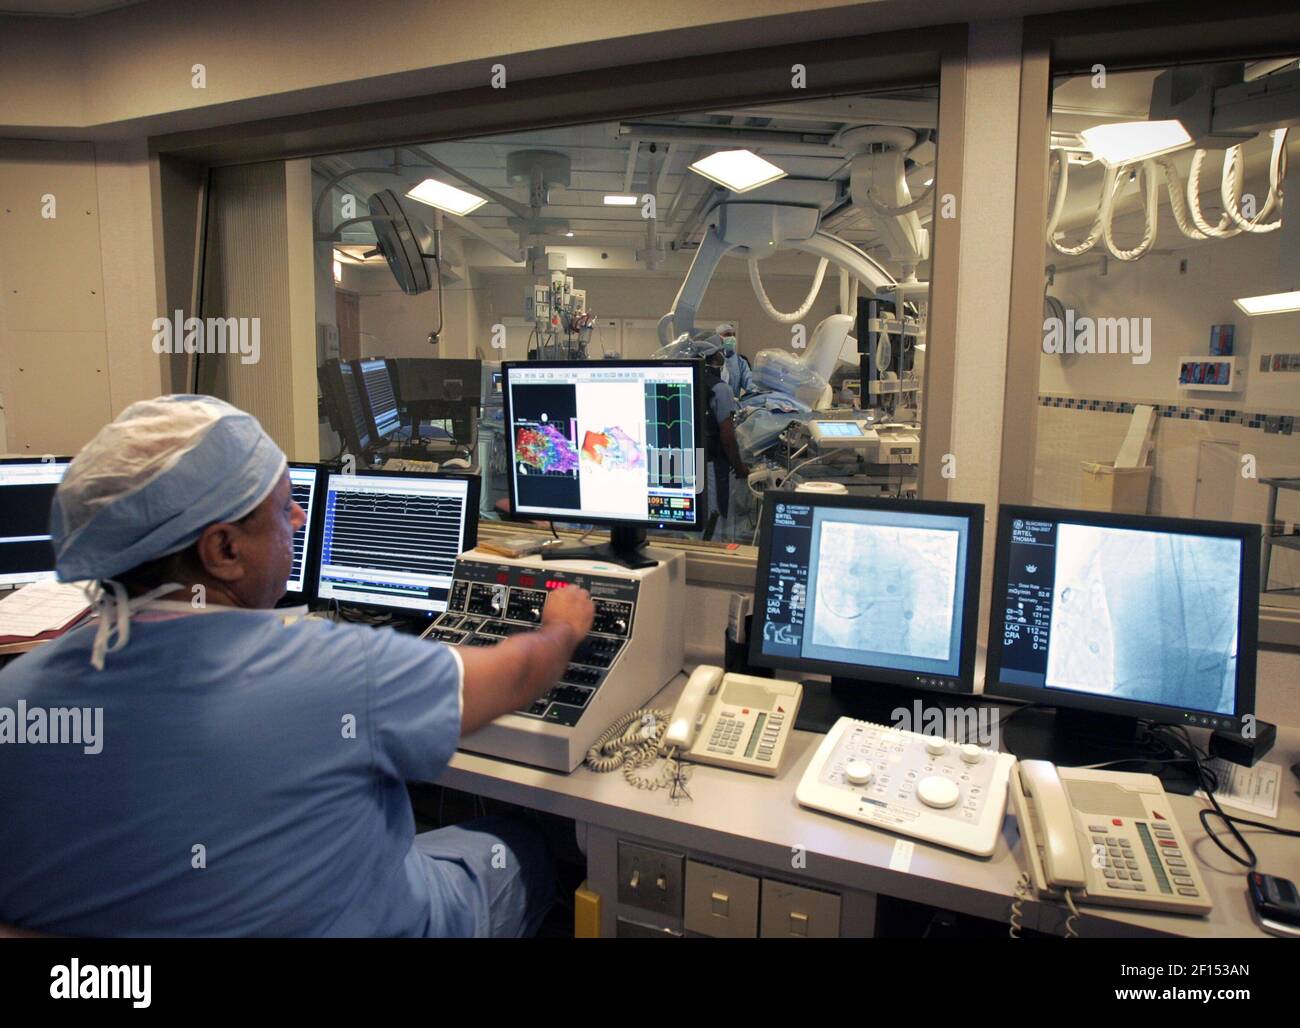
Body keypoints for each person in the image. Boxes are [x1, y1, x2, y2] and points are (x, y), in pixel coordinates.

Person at [0, 395, 594, 938]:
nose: (303, 522)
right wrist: (562, 625)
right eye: (285, 508)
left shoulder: (18, 691)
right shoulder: (340, 673)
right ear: (224, 550)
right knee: (518, 843)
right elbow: (520, 677)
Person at [698, 337, 750, 533]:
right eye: (720, 351)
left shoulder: (689, 381)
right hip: (712, 465)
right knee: (714, 517)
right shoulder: (719, 389)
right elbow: (727, 436)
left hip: (686, 462)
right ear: (713, 356)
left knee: (692, 517)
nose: (723, 355)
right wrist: (740, 467)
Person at [715, 323, 753, 399]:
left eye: (733, 335)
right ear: (717, 338)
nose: (732, 337)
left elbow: (749, 383)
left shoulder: (740, 362)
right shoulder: (710, 360)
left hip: (733, 405)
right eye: (728, 334)